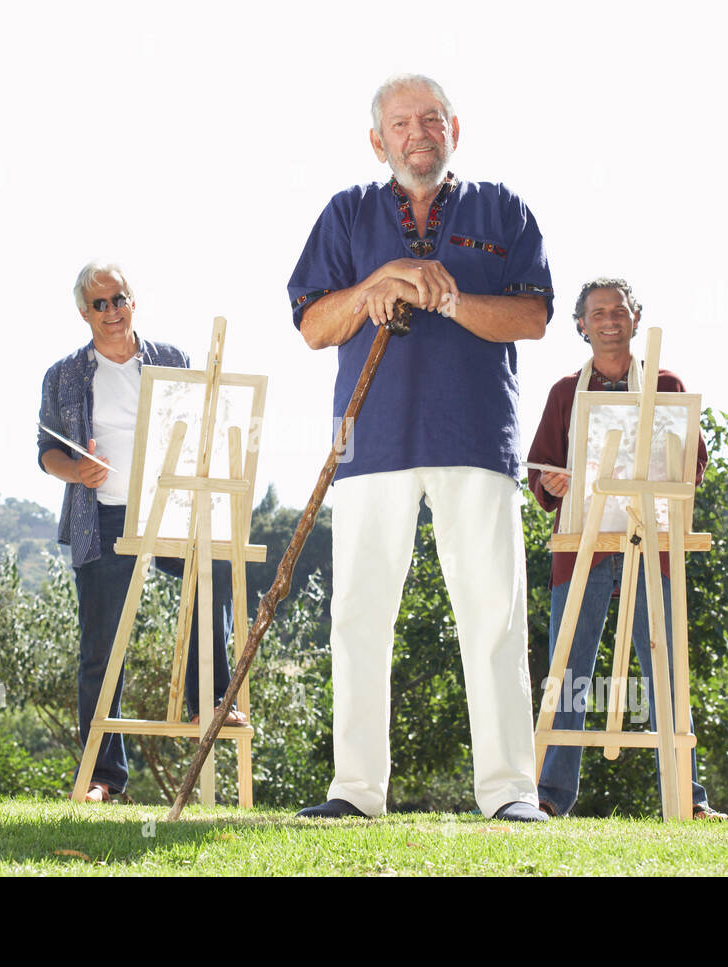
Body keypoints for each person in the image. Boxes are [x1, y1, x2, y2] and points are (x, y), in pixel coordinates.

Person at [287, 75, 553, 822]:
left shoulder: (504, 210)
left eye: (431, 119)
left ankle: (510, 792)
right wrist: (379, 283)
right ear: (379, 141)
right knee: (358, 615)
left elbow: (532, 316)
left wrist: (448, 299)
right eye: (401, 123)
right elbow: (314, 325)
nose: (418, 133)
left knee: (493, 614)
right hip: (370, 439)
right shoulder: (347, 214)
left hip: (475, 437)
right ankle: (356, 790)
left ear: (455, 130)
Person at [37, 260, 244, 804]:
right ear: (84, 312)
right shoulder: (65, 375)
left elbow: (207, 427)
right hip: (102, 517)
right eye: (99, 304)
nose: (112, 312)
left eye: (119, 299)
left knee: (215, 565)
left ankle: (212, 699)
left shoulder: (171, 361)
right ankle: (105, 779)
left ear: (133, 300)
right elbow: (46, 453)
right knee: (103, 651)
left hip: (172, 509)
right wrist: (76, 469)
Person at [527, 277, 728, 819]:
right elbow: (541, 470)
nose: (610, 320)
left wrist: (671, 468)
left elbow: (694, 464)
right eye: (598, 313)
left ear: (636, 318)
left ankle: (688, 797)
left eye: (619, 310)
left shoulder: (666, 383)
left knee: (663, 665)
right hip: (584, 545)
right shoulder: (565, 393)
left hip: (652, 540)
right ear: (581, 325)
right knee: (568, 671)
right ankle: (548, 796)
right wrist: (553, 484)